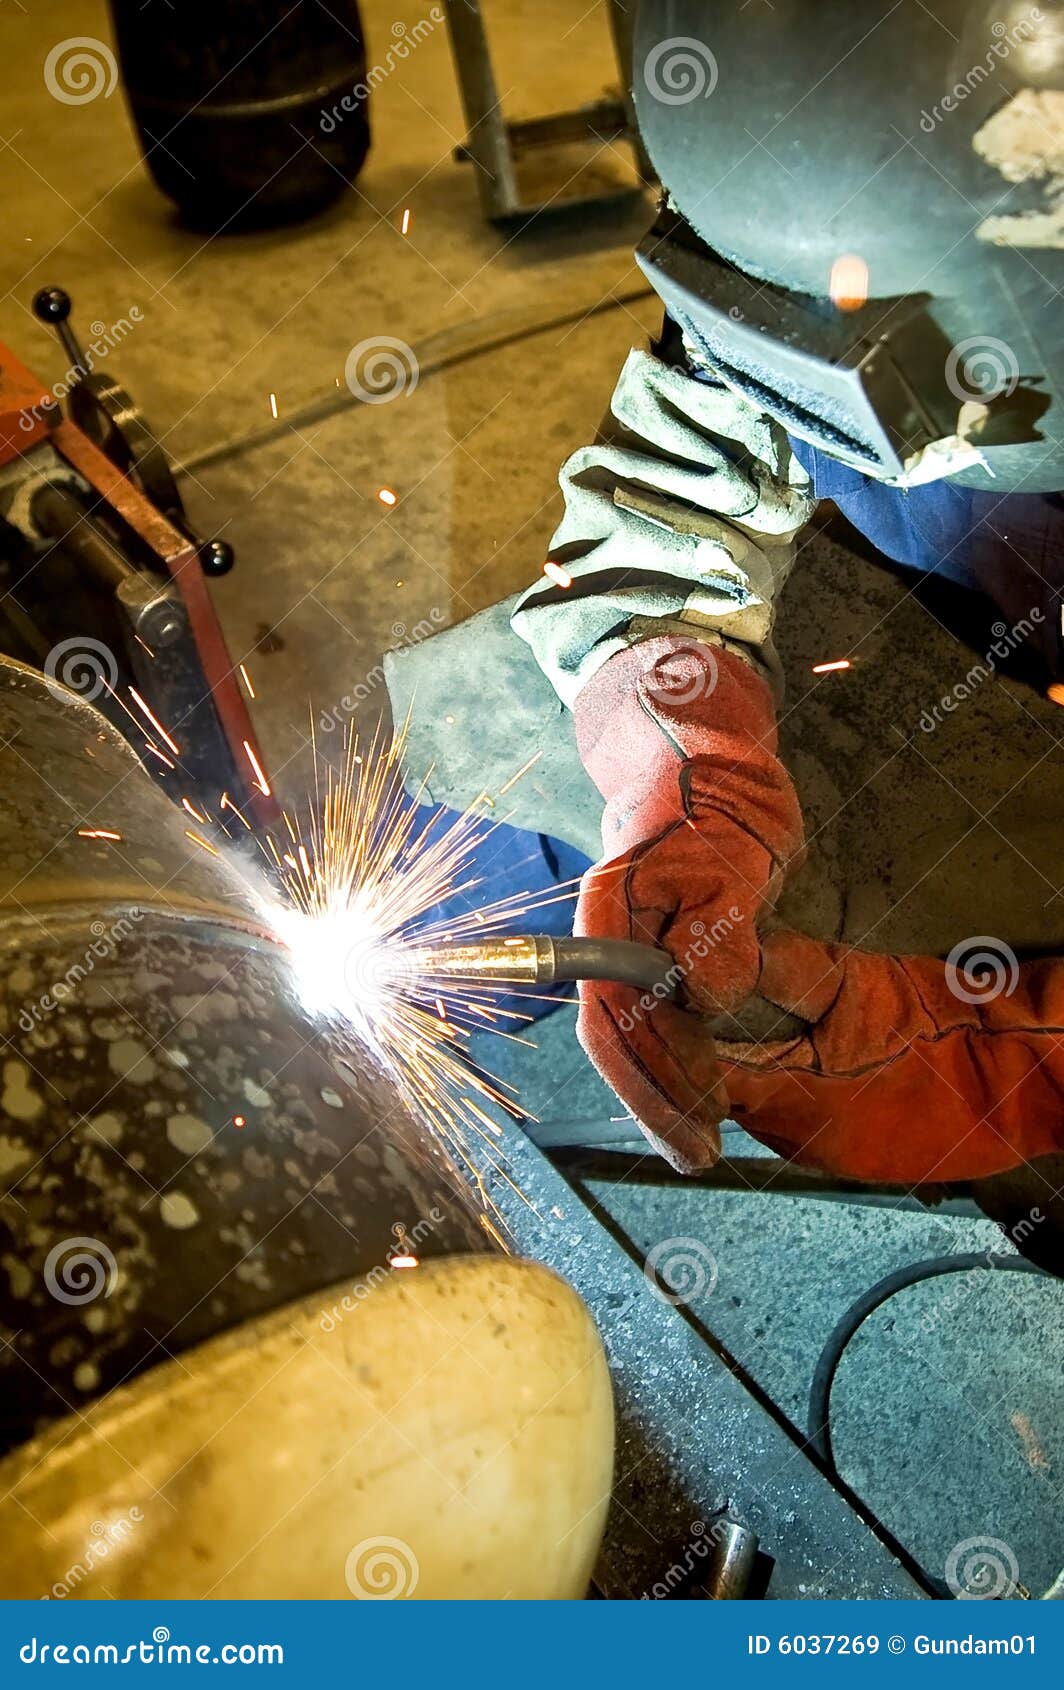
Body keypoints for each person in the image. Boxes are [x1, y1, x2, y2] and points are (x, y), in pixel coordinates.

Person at [508, 0, 1064, 1184]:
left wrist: (962, 1039)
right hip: (952, 626)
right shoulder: (822, 209)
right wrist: (683, 761)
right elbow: (677, 484)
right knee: (515, 753)